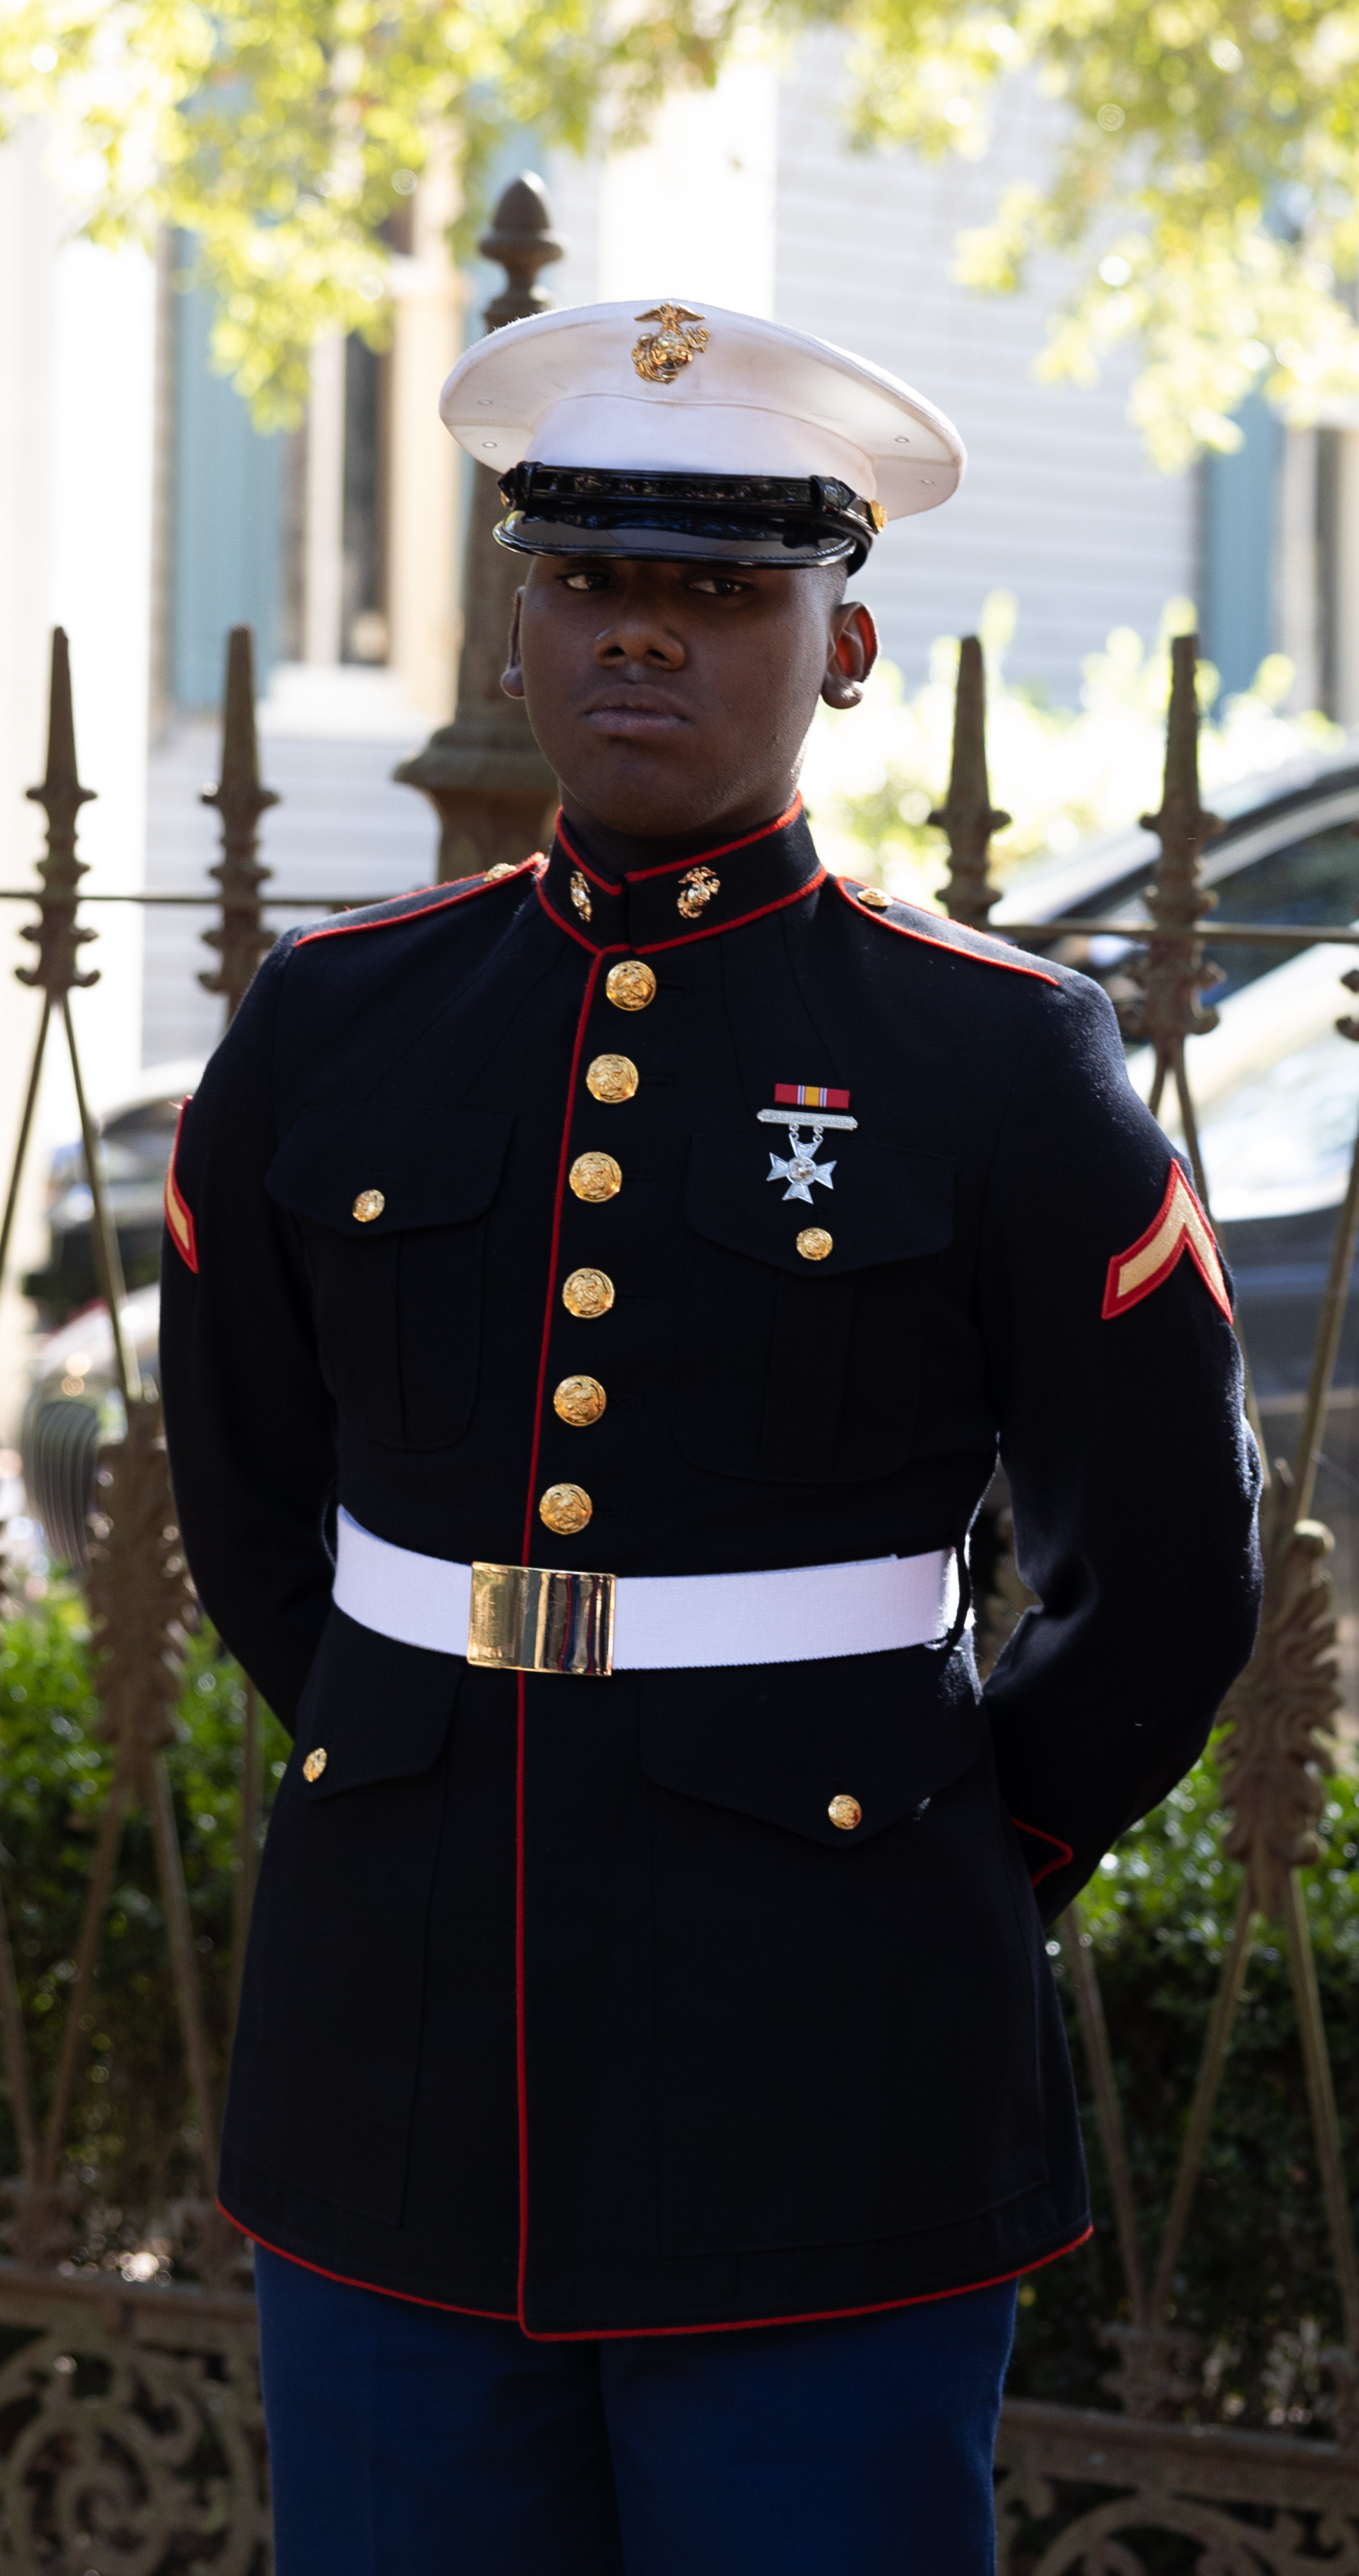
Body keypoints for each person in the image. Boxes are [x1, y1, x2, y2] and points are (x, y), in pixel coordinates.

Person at [159, 298, 1262, 2575]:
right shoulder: (335, 1024)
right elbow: (255, 1501)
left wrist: (938, 1855)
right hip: (394, 2043)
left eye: (722, 594)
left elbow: (1167, 1573)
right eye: (588, 582)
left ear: (842, 644)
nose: (640, 639)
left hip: (825, 2067)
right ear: (519, 612)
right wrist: (417, 1743)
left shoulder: (995, 1062)